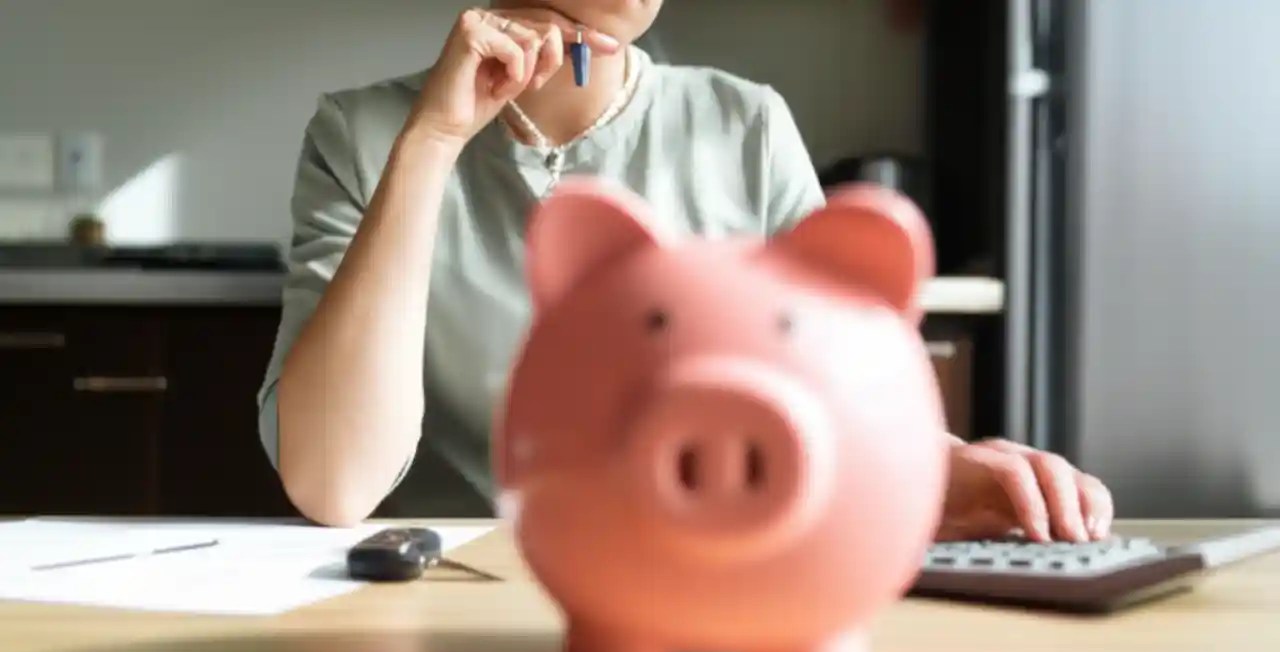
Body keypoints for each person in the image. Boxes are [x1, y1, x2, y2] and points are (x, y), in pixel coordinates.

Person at [257, 0, 1114, 544]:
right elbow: (336, 484)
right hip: (446, 608)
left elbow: (841, 398)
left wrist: (945, 466)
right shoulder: (362, 136)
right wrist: (434, 142)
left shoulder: (746, 124)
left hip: (704, 593)